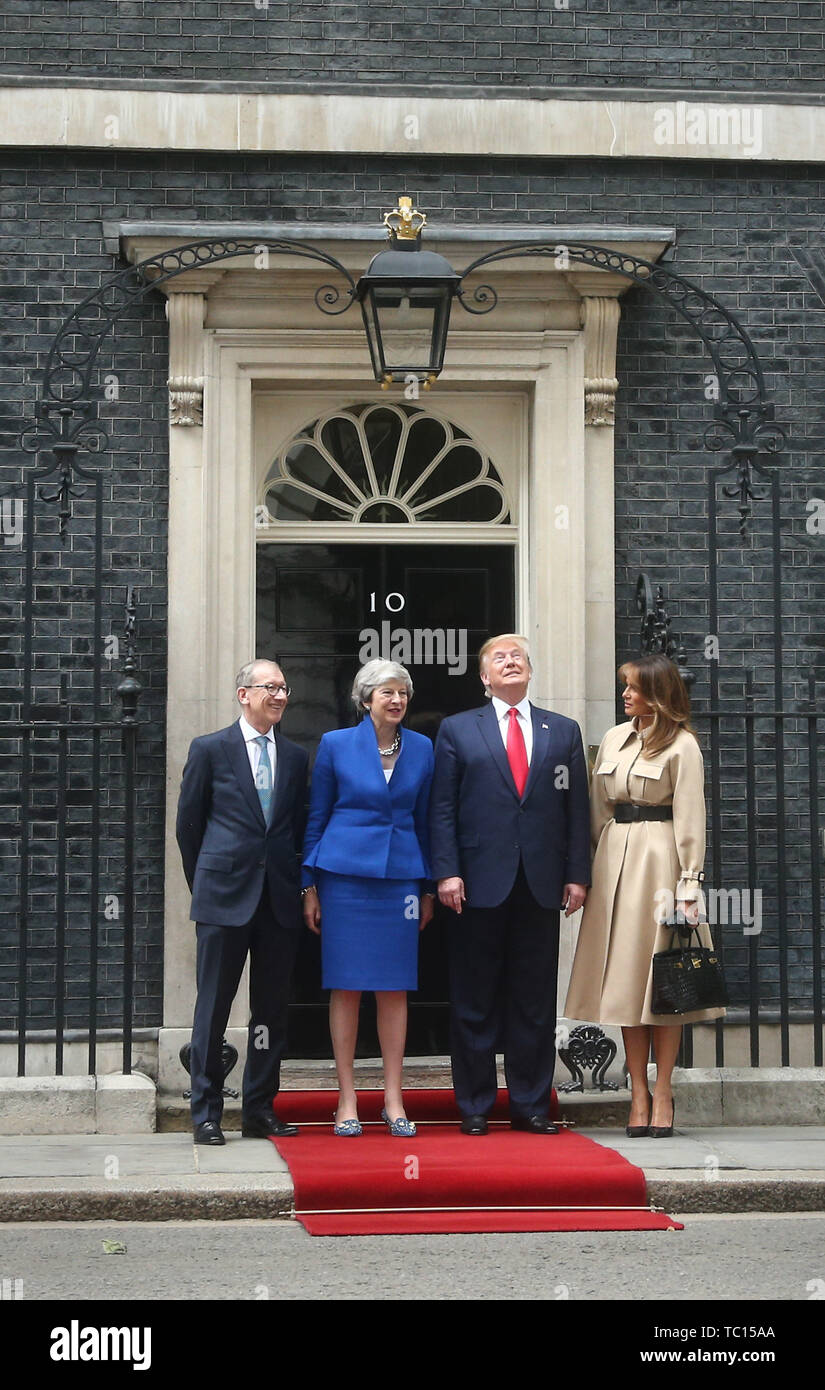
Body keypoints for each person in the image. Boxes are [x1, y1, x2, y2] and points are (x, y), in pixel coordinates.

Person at [429, 634, 591, 1136]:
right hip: (475, 884)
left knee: (533, 1000)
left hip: (540, 884)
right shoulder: (457, 730)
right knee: (473, 997)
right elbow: (442, 808)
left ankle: (530, 1104)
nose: (510, 661)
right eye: (498, 658)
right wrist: (445, 871)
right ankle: (474, 1104)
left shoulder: (562, 731)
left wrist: (577, 875)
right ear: (484, 677)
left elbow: (576, 809)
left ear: (529, 669)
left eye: (518, 655)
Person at [565, 653, 725, 1139]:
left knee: (663, 985)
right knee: (625, 983)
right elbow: (598, 808)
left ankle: (663, 1091)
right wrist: (593, 868)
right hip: (615, 859)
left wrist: (690, 883)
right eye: (624, 687)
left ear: (657, 692)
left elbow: (691, 814)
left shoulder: (682, 745)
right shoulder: (614, 738)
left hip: (661, 861)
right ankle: (636, 1091)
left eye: (633, 688)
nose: (625, 695)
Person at [176, 659, 308, 1145]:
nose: (279, 695)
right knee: (213, 1007)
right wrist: (206, 883)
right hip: (222, 898)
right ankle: (206, 1111)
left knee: (270, 1011)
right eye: (269, 687)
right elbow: (188, 825)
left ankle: (259, 1107)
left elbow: (296, 829)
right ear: (243, 694)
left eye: (283, 688)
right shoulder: (211, 749)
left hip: (277, 901)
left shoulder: (294, 757)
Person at [302, 660, 435, 1138]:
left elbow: (424, 820)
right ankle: (347, 1098)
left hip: (400, 878)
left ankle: (394, 1099)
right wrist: (309, 884)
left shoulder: (422, 748)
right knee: (347, 986)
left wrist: (425, 887)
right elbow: (316, 816)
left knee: (394, 987)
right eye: (387, 693)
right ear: (365, 700)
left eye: (403, 693)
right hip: (343, 878)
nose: (397, 701)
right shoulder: (336, 744)